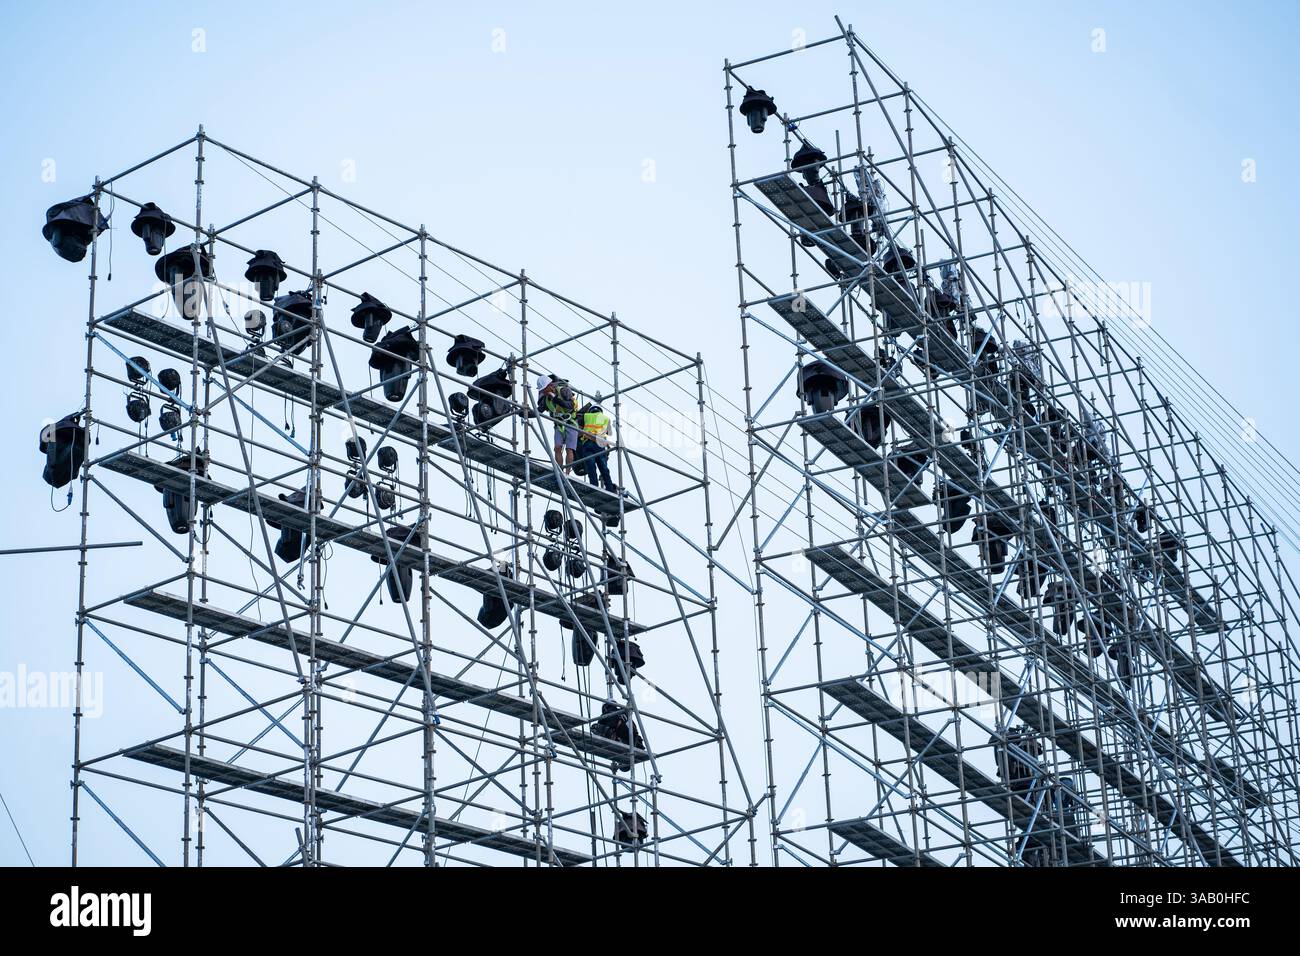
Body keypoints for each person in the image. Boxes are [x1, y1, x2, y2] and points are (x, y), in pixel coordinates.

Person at [536, 374, 580, 472]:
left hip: (570, 423)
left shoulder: (563, 390)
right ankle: (559, 471)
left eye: (544, 389)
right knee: (557, 448)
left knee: (569, 449)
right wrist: (524, 412)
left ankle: (567, 473)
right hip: (559, 424)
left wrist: (556, 399)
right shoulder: (546, 399)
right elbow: (538, 411)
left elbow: (570, 405)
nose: (543, 392)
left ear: (550, 385)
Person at [575, 401, 617, 492]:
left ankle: (594, 487)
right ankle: (609, 487)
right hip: (600, 445)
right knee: (604, 468)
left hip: (588, 443)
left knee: (591, 467)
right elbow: (609, 433)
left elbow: (578, 430)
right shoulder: (606, 418)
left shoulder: (586, 416)